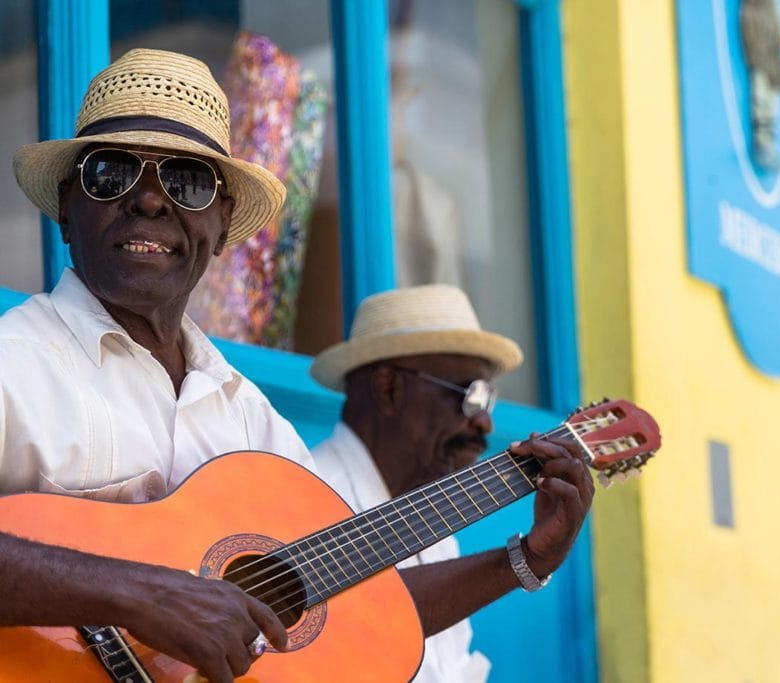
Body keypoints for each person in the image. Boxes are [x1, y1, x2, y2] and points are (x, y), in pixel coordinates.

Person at [0, 48, 593, 682]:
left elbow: (357, 612)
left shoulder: (253, 422)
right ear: (67, 207)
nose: (148, 200)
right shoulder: (15, 361)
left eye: (188, 182)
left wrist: (522, 560)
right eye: (110, 174)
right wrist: (137, 595)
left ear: (223, 224)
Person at [309, 284, 546, 682]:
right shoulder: (305, 496)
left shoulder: (438, 533)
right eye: (470, 395)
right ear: (389, 389)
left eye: (488, 400)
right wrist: (527, 559)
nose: (485, 422)